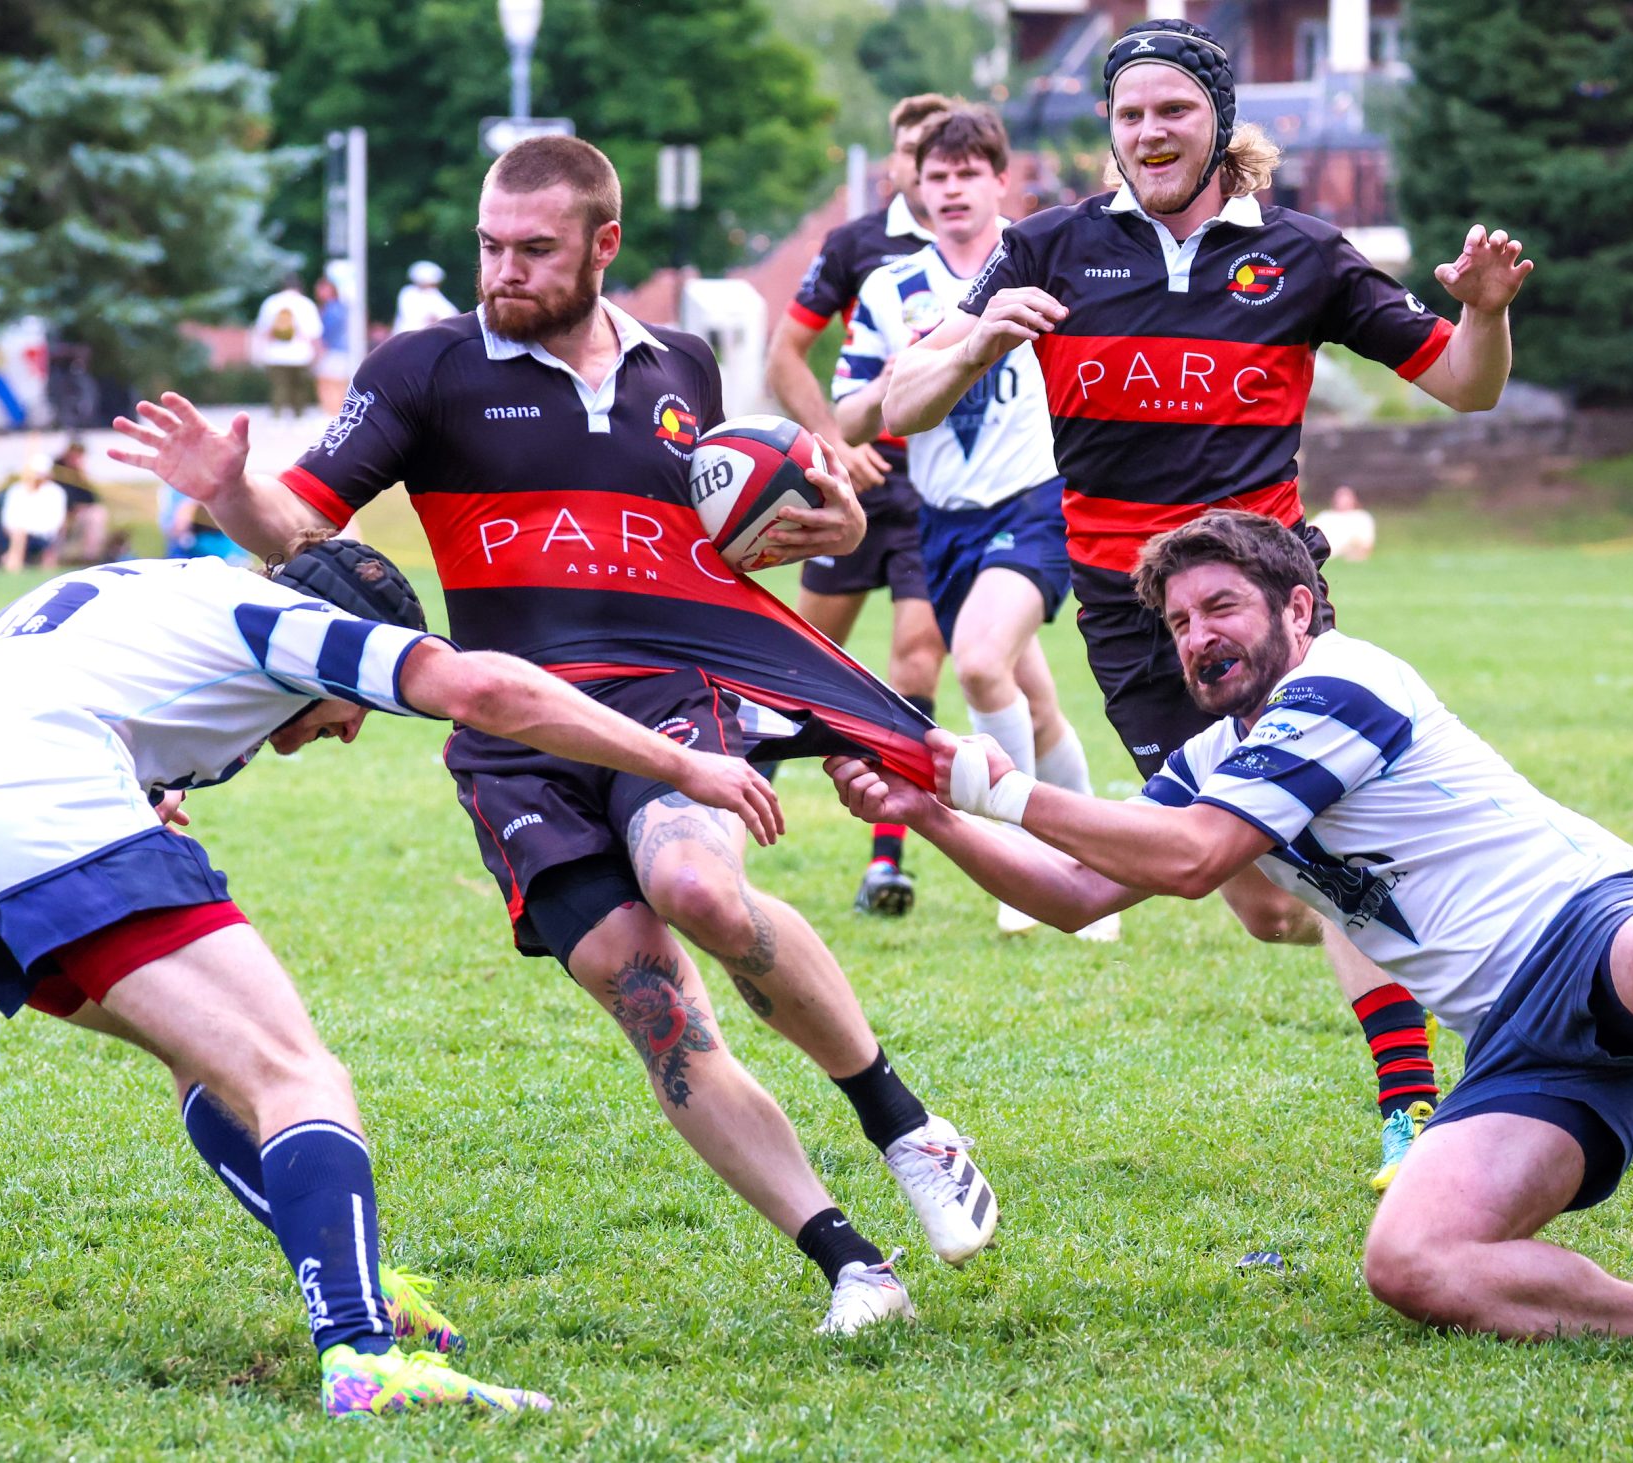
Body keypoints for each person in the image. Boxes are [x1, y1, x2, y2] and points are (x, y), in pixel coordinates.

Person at [109, 135, 1000, 1336]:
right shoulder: (426, 370)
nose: (504, 270)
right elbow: (303, 535)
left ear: (603, 247)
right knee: (647, 995)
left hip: (664, 701)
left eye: (533, 249)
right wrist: (227, 492)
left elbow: (720, 547)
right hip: (511, 733)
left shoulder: (678, 364)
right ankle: (851, 1262)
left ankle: (903, 1125)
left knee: (697, 885)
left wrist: (818, 521)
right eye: (490, 246)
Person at [828, 509, 1633, 1352]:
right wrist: (931, 814)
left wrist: (990, 783)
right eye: (1178, 621)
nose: (1194, 635)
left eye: (1219, 606)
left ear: (1297, 605)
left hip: (1586, 927)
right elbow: (1070, 893)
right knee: (1412, 1262)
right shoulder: (1207, 760)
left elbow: (1192, 858)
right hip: (1515, 1045)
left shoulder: (1340, 681)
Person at [0, 536, 782, 1415]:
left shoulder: (165, 586)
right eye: (356, 706)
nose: (350, 729)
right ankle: (361, 1354)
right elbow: (482, 687)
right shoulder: (285, 617)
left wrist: (142, 785)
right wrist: (680, 760)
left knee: (216, 1058)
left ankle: (356, 1278)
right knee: (295, 1072)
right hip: (36, 809)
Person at [882, 19, 1535, 1187]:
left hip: (1268, 601)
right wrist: (980, 337)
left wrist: (1483, 311)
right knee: (1263, 898)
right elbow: (902, 403)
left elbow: (1462, 387)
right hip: (1135, 618)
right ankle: (1440, 1039)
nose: (1149, 132)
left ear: (1216, 123)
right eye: (1129, 114)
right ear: (1109, 132)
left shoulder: (1302, 255)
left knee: (1320, 835)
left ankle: (1413, 1110)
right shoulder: (1042, 248)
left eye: (1172, 109)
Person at [833, 105, 1111, 942]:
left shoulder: (1045, 261)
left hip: (1035, 502)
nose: (951, 189)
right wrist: (902, 372)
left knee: (983, 666)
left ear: (1001, 180)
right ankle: (1100, 868)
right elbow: (848, 419)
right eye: (936, 175)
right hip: (943, 521)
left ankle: (1022, 864)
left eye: (968, 173)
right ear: (915, 187)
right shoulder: (891, 289)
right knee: (1034, 700)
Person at [765, 92, 954, 918]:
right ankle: (730, 799)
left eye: (944, 156)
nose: (924, 168)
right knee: (798, 661)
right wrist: (831, 443)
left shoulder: (988, 250)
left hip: (940, 496)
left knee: (916, 661)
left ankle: (888, 859)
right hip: (852, 486)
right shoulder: (856, 245)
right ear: (895, 159)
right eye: (915, 151)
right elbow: (786, 354)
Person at [252, 273, 325, 420]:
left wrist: (259, 352)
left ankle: (277, 417)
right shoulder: (306, 304)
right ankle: (299, 416)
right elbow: (314, 333)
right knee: (299, 388)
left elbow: (262, 330)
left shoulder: (271, 303)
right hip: (301, 353)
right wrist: (318, 353)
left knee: (279, 388)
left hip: (275, 353)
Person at [0, 452, 68, 571]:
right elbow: (9, 518)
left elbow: (56, 520)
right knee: (19, 534)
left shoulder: (56, 492)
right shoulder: (16, 490)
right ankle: (13, 566)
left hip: (45, 534)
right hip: (18, 534)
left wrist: (34, 530)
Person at [50, 438, 113, 563]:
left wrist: (82, 475)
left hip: (77, 513)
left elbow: (91, 499)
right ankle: (52, 557)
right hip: (60, 512)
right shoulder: (57, 472)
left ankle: (90, 557)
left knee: (97, 514)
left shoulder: (78, 475)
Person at [314, 274, 353, 412]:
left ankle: (331, 411)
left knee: (328, 383)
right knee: (339, 384)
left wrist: (320, 349)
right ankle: (336, 411)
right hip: (343, 350)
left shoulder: (331, 309)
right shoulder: (342, 308)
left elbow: (326, 333)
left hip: (332, 350)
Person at [1311, 485, 1376, 562]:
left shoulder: (1361, 517)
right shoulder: (1325, 516)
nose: (1342, 501)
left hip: (1346, 554)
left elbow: (1366, 544)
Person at [393, 260, 458, 334]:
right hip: (408, 335)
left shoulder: (434, 294)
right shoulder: (408, 293)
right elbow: (414, 318)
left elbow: (452, 314)